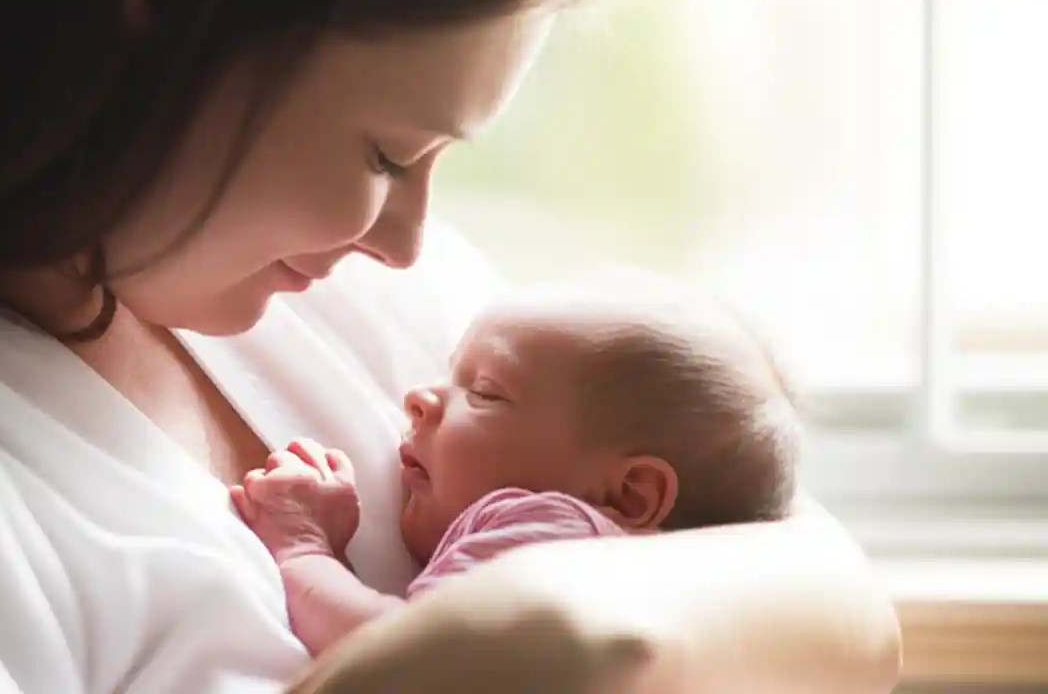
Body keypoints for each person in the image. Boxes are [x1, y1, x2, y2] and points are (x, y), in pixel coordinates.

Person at [0, 0, 901, 693]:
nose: (408, 240)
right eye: (384, 155)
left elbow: (842, 598)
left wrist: (550, 632)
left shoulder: (338, 294)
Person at [232, 271, 800, 655]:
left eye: (484, 391)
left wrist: (303, 549)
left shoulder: (556, 535)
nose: (419, 399)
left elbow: (403, 663)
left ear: (629, 495)